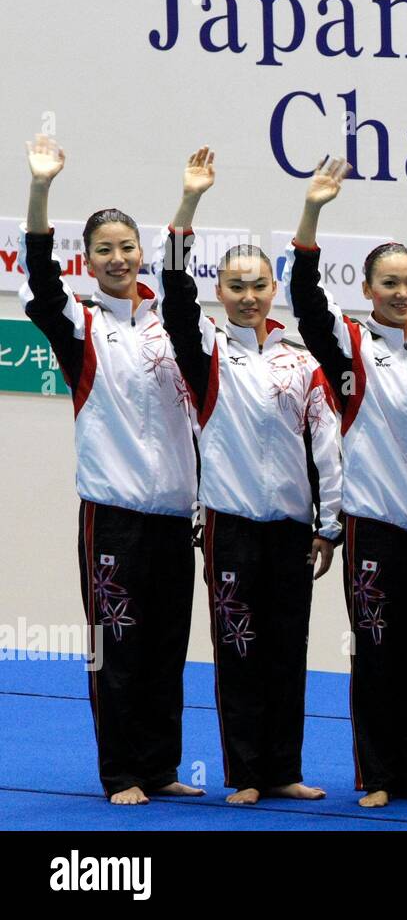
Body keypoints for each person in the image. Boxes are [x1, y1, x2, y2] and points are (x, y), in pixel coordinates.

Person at [19, 134, 203, 805]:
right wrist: (41, 188)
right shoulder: (81, 327)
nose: (120, 257)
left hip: (173, 515)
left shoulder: (172, 326)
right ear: (89, 261)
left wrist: (188, 198)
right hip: (114, 517)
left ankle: (159, 766)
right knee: (116, 648)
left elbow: (180, 282)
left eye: (129, 245)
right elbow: (39, 279)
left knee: (164, 649)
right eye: (105, 249)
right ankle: (120, 772)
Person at [283, 158, 407, 809]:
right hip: (373, 528)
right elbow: (305, 300)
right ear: (367, 287)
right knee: (379, 654)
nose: (401, 291)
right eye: (389, 282)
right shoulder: (352, 346)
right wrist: (313, 212)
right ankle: (380, 774)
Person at [157, 147, 341, 805]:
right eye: (234, 285)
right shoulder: (207, 352)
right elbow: (175, 297)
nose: (246, 295)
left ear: (272, 290)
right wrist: (190, 203)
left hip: (292, 529)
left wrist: (329, 527)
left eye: (257, 285)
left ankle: (284, 768)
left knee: (288, 651)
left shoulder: (301, 362)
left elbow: (326, 445)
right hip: (231, 527)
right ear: (220, 292)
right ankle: (244, 772)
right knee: (238, 648)